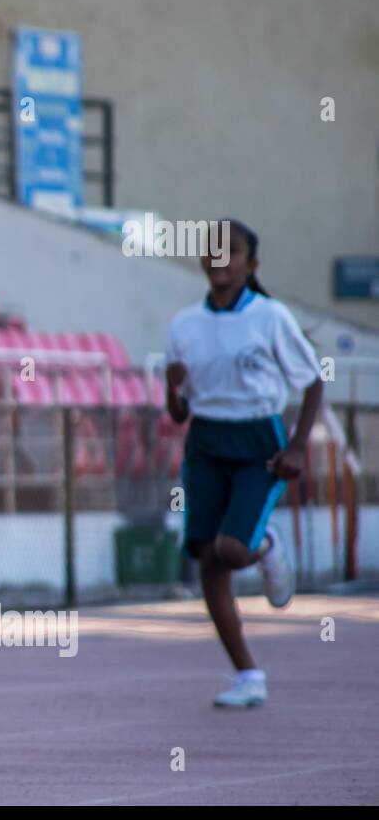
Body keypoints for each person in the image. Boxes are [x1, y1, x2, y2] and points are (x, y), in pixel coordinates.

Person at [165, 219, 322, 709]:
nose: (219, 259)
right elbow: (179, 413)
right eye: (211, 250)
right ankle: (247, 673)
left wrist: (298, 446)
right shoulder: (184, 325)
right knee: (209, 560)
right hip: (207, 442)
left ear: (250, 264)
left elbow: (313, 380)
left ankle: (267, 543)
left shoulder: (270, 317)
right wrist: (171, 391)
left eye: (230, 251)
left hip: (258, 440)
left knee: (233, 549)